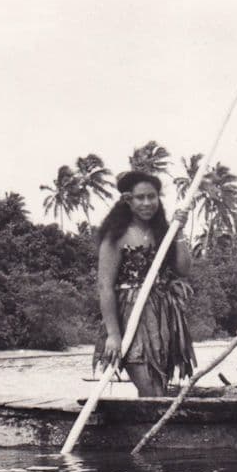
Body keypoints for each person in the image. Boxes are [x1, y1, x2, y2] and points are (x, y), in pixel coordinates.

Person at [93, 170, 196, 397]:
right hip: (131, 315)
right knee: (150, 387)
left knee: (158, 384)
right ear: (128, 200)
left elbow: (183, 269)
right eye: (140, 198)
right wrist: (113, 334)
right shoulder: (116, 236)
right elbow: (105, 287)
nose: (147, 203)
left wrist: (178, 231)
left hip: (163, 316)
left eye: (152, 196)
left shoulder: (163, 233)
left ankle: (149, 419)